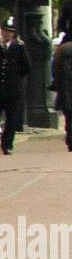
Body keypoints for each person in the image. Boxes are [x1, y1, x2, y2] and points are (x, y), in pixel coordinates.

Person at [1, 16, 32, 155]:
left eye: (10, 31)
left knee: (12, 118)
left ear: (13, 33)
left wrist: (15, 77)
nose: (7, 33)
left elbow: (27, 66)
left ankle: (7, 144)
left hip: (13, 88)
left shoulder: (19, 46)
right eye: (5, 30)